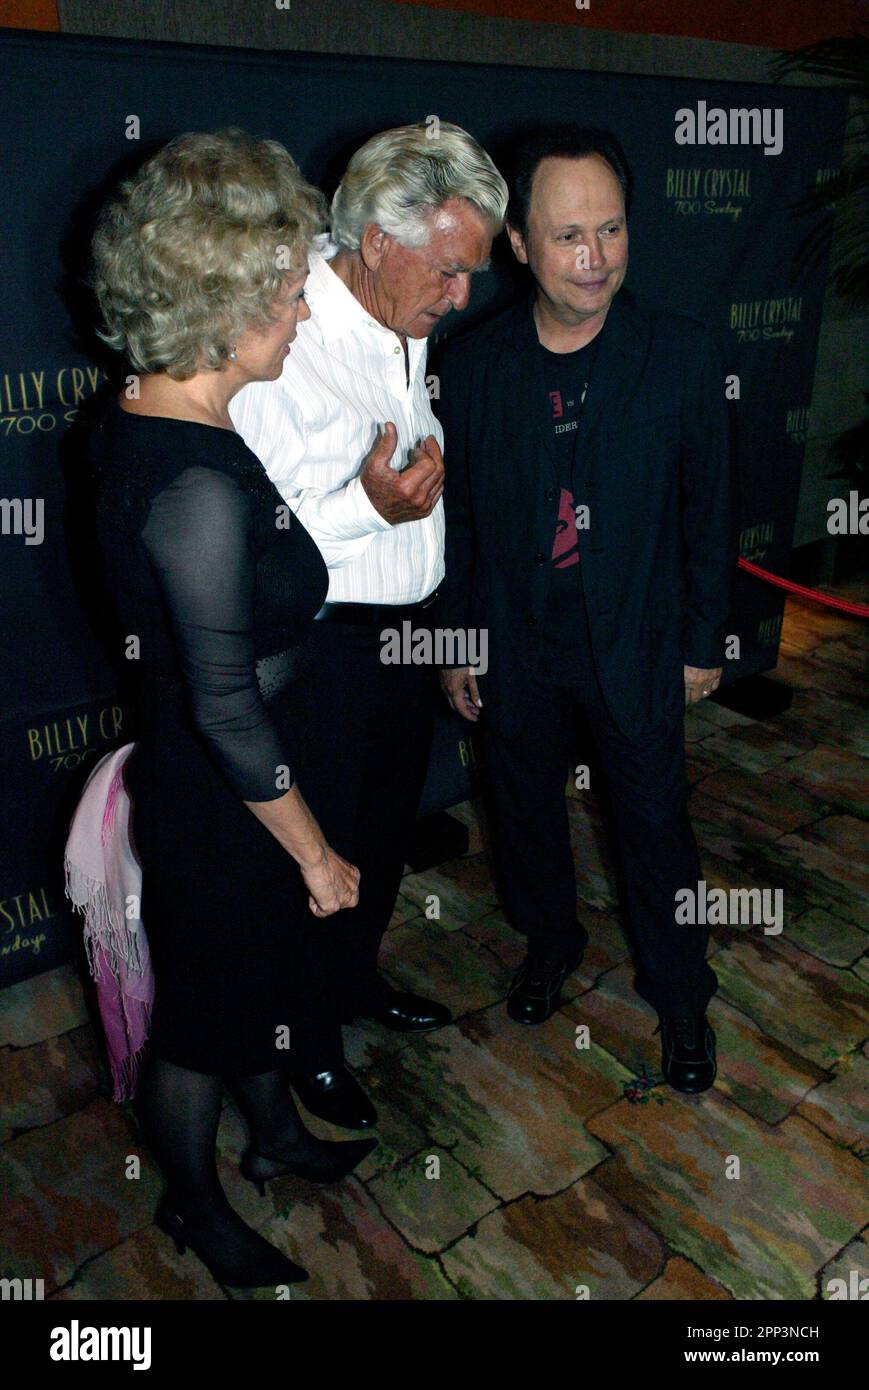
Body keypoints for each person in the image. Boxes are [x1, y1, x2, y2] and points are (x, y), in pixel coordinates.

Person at [85, 129, 380, 1289]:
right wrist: (312, 851)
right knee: (205, 1016)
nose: (303, 311)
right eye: (288, 289)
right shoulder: (198, 481)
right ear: (223, 303)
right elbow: (221, 704)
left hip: (235, 771)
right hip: (228, 796)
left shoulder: (152, 418)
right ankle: (195, 1206)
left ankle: (277, 1138)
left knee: (259, 978)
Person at [437, 125, 735, 1094]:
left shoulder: (682, 358)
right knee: (522, 815)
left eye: (609, 231)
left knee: (655, 829)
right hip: (518, 648)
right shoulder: (474, 368)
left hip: (637, 647)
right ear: (517, 245)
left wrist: (700, 641)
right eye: (568, 236)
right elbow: (461, 522)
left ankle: (681, 992)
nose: (594, 258)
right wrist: (454, 644)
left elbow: (708, 513)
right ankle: (549, 942)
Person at [230, 122, 508, 1129]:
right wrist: (368, 509)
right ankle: (300, 1040)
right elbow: (248, 527)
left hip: (403, 630)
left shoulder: (408, 313)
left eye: (471, 271)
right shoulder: (283, 322)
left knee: (385, 835)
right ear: (378, 240)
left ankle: (352, 986)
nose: (461, 296)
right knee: (320, 857)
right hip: (317, 644)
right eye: (448, 270)